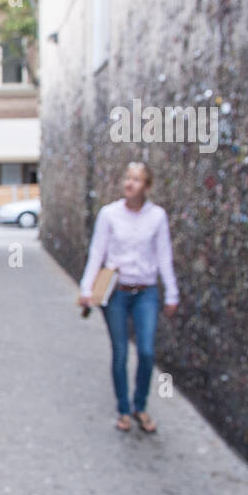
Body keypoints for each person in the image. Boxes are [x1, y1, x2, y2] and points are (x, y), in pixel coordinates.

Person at [78, 162, 180, 432]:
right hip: (116, 292)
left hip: (146, 291)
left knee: (146, 352)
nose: (129, 183)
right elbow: (97, 252)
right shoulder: (109, 215)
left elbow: (163, 255)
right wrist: (87, 289)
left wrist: (172, 292)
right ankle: (124, 409)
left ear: (147, 186)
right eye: (127, 178)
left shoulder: (157, 216)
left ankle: (140, 406)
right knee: (120, 351)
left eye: (136, 179)